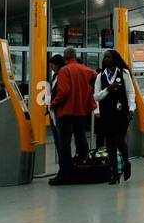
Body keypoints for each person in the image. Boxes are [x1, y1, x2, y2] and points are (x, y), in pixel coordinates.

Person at [49, 46, 96, 185]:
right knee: (81, 138)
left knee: (64, 143)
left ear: (65, 57)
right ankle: (82, 166)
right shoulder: (86, 69)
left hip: (66, 112)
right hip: (81, 111)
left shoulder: (64, 70)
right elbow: (97, 79)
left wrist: (53, 104)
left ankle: (65, 174)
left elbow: (63, 92)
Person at [93, 49, 134, 184]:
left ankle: (126, 163)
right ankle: (114, 173)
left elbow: (130, 92)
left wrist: (131, 109)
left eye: (109, 57)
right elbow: (96, 96)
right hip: (107, 113)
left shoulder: (123, 73)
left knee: (119, 140)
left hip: (121, 113)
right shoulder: (100, 76)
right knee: (110, 143)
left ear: (114, 58)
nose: (106, 59)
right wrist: (108, 89)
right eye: (105, 57)